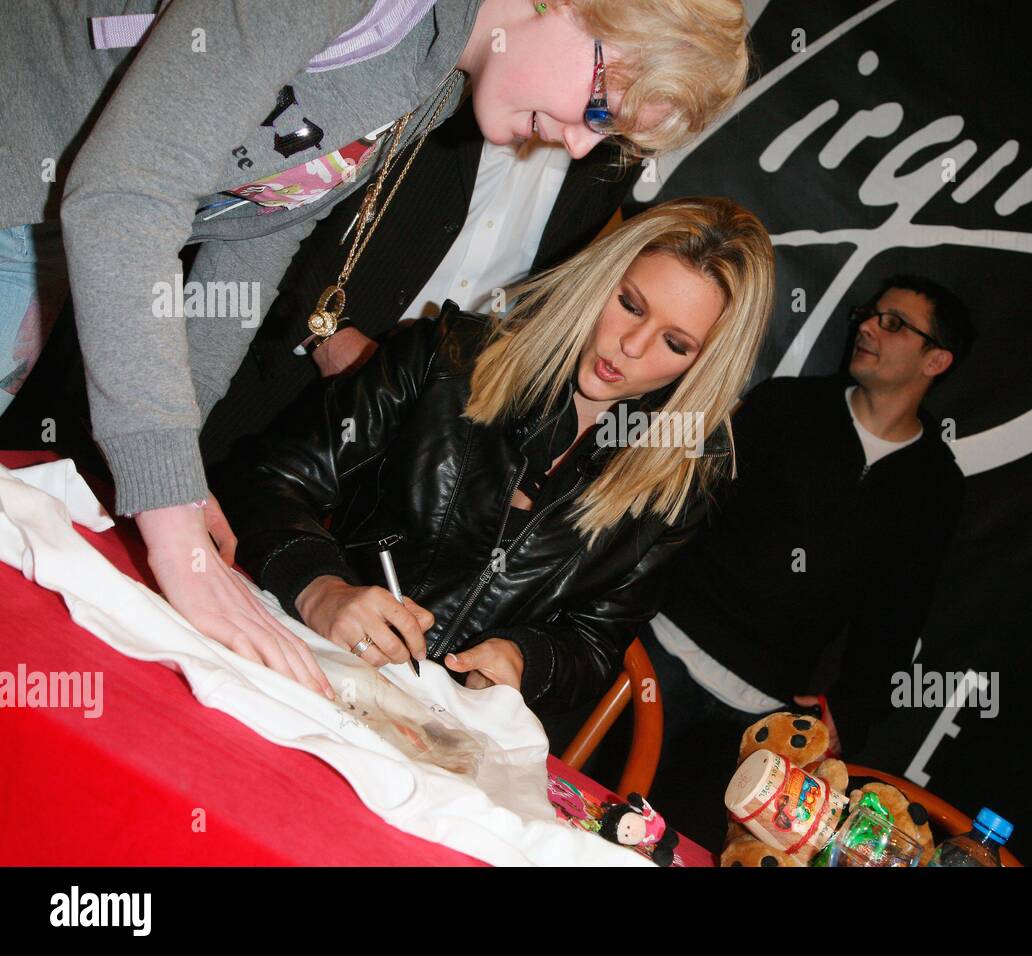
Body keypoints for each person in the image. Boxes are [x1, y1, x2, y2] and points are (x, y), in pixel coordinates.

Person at [0, 0, 751, 697]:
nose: (583, 142)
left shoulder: (430, 80)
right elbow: (129, 195)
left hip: (37, 226)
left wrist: (180, 468)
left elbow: (260, 227)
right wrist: (169, 521)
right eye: (599, 106)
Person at [216, 198, 775, 728]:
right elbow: (270, 479)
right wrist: (321, 587)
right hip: (298, 661)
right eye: (629, 304)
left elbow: (595, 643)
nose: (631, 345)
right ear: (600, 279)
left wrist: (525, 660)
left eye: (675, 343)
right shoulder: (447, 358)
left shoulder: (678, 483)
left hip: (438, 729)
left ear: (704, 367)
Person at [636, 275, 975, 851]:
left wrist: (852, 712)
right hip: (650, 658)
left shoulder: (935, 486)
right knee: (563, 798)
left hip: (755, 724)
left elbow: (897, 616)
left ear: (936, 359)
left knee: (670, 853)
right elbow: (683, 504)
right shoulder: (787, 405)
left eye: (894, 324)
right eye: (870, 314)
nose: (867, 326)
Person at [199, 97, 637, 468]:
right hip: (258, 366)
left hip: (399, 440)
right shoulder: (445, 59)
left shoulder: (616, 155)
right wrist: (324, 337)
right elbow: (281, 202)